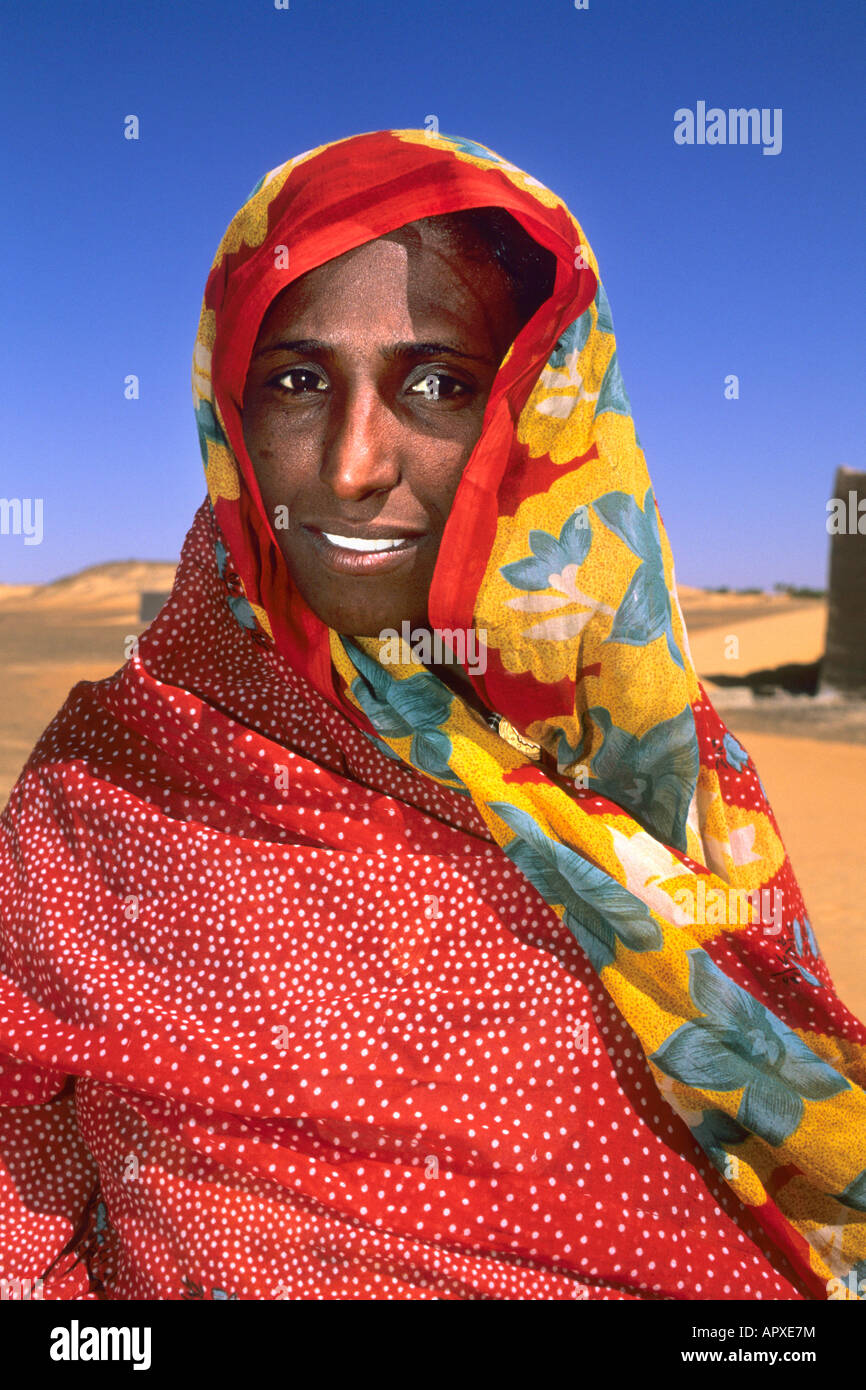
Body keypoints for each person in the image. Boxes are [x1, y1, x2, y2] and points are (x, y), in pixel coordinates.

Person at [1, 128, 864, 1302]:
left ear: (545, 416)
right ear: (230, 420)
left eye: (439, 383)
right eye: (297, 380)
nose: (353, 462)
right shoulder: (109, 780)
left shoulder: (657, 770)